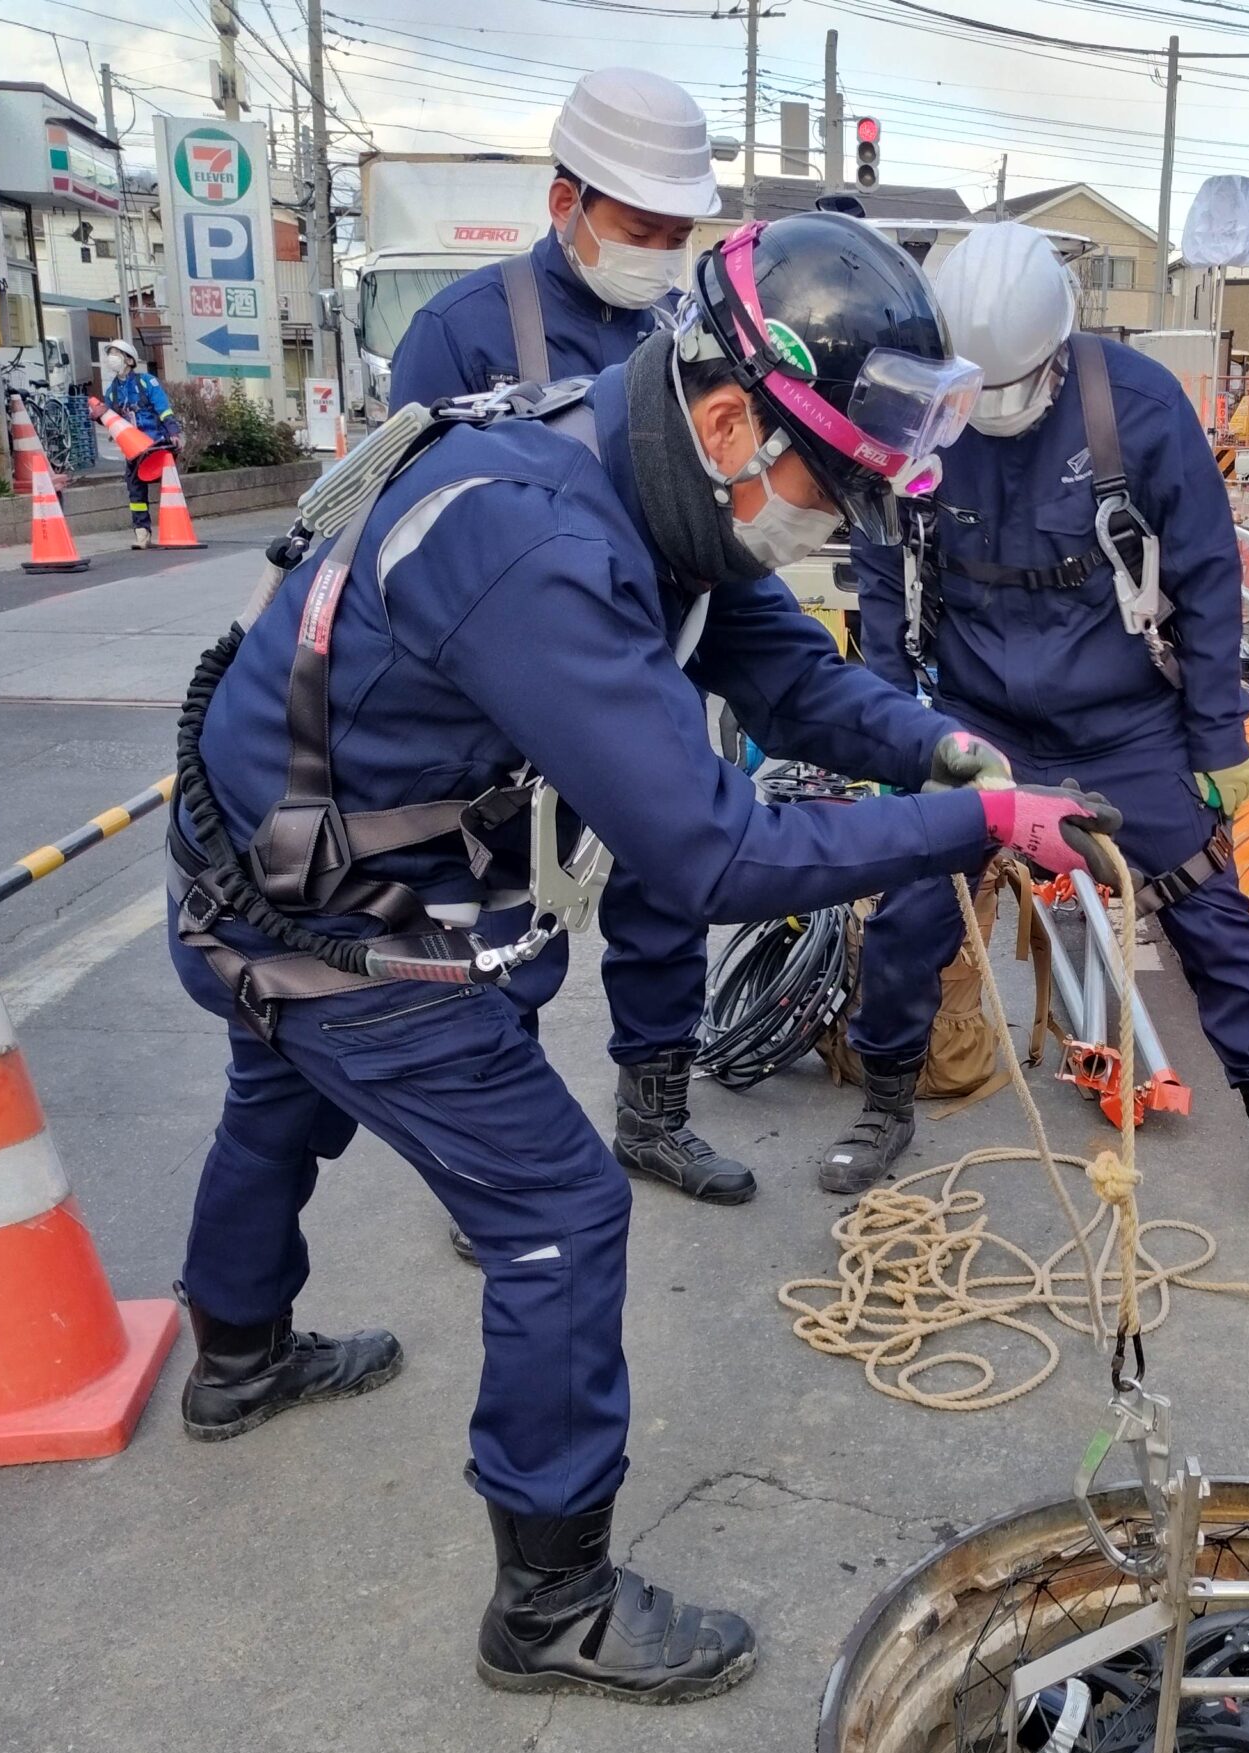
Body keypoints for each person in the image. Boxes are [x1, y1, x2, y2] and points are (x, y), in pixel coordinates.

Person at [166, 212, 1117, 1702]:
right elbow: (716, 853)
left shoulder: (641, 456)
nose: (840, 525)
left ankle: (236, 1357)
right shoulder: (537, 544)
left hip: (265, 862)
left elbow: (786, 669)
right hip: (328, 911)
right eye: (833, 489)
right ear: (734, 417)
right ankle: (549, 1605)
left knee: (274, 1090)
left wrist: (936, 749)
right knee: (555, 1209)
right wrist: (969, 826)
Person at [827, 222, 1249, 1251]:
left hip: (1124, 722)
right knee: (910, 909)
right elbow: (884, 591)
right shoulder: (908, 418)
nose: (989, 414)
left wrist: (1215, 738)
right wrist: (897, 737)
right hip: (977, 718)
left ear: (1056, 347)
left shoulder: (1135, 408)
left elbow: (1207, 582)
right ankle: (884, 1102)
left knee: (1212, 917)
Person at [387, 68, 759, 1219]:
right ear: (566, 203)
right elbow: (401, 527)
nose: (656, 249)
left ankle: (653, 1119)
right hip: (506, 706)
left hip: (655, 666)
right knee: (509, 931)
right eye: (638, 228)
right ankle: (504, 1162)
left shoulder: (688, 336)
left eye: (676, 231)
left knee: (665, 897)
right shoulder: (461, 332)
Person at [99, 341, 178, 547]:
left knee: (169, 487)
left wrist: (173, 431)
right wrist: (99, 416)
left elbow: (164, 408)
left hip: (157, 444)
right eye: (110, 354)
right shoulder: (112, 392)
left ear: (129, 360)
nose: (112, 357)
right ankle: (142, 534)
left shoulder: (146, 382)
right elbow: (111, 419)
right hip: (133, 450)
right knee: (135, 491)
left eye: (116, 353)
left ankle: (176, 527)